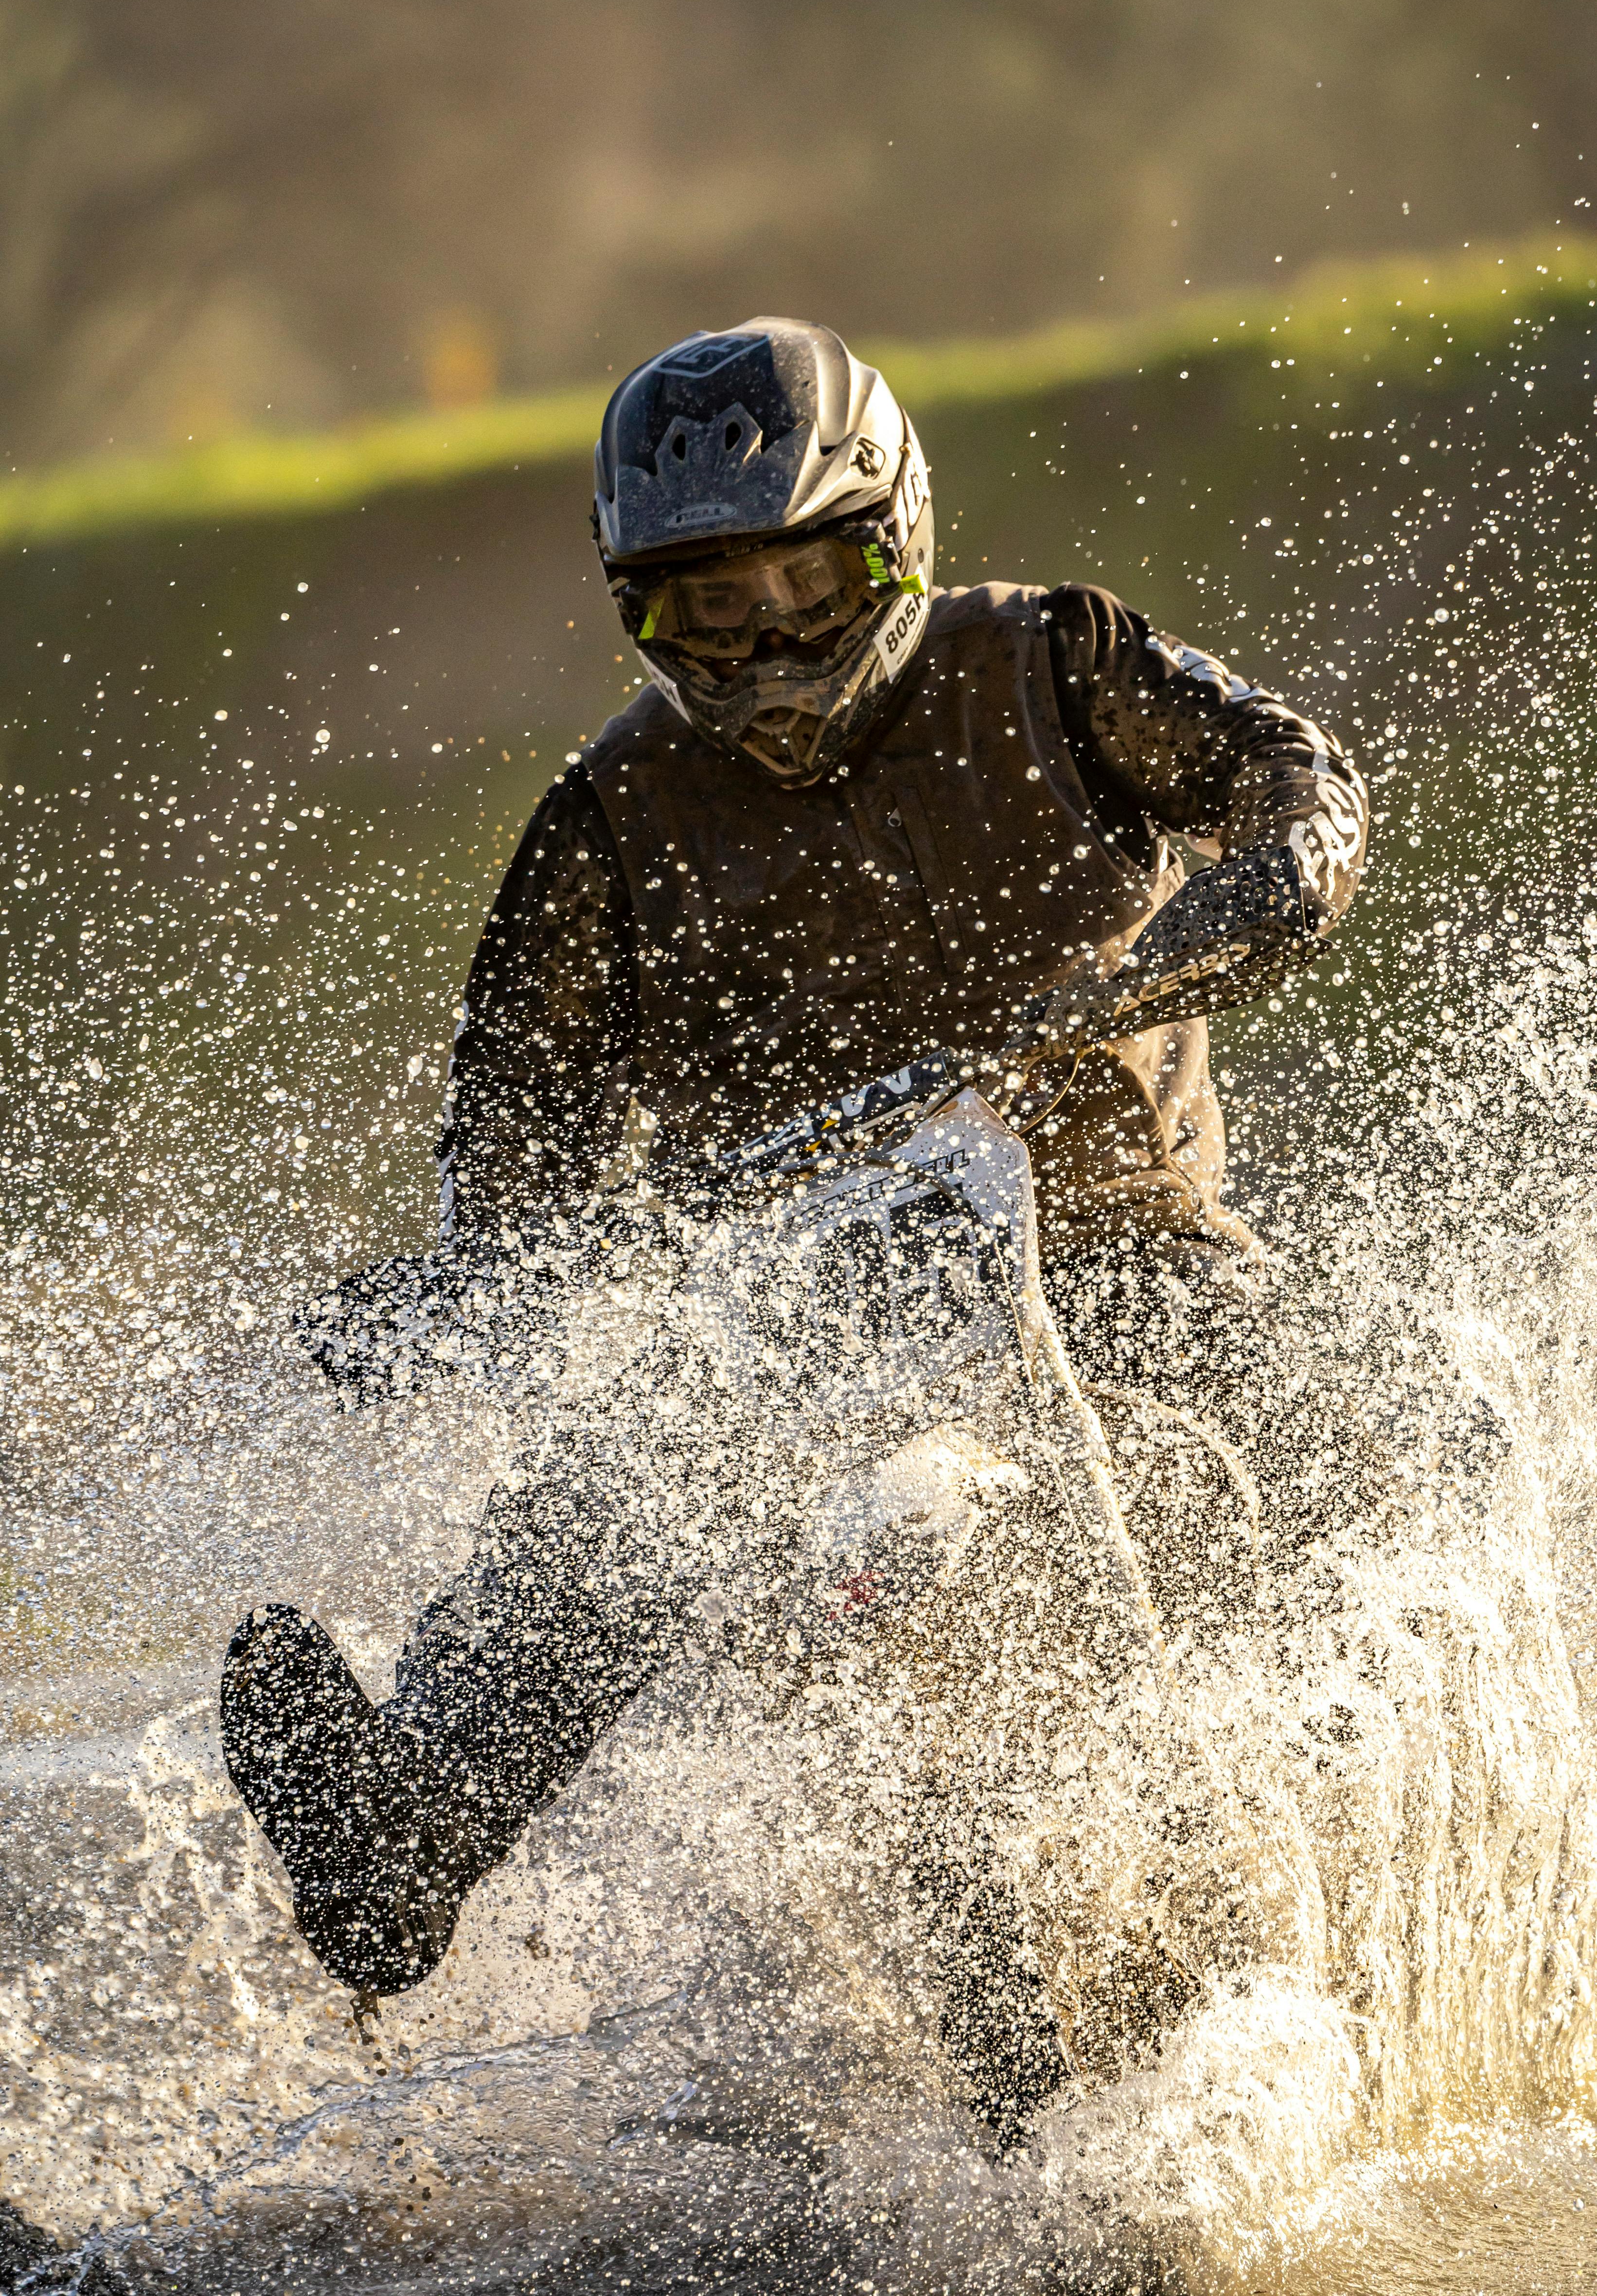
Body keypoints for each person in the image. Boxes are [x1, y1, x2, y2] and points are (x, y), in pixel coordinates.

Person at [222, 318, 1368, 2118]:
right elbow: (512, 1152)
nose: (761, 645)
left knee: (1319, 1438)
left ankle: (1401, 1789)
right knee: (632, 1467)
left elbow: (1295, 778)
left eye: (804, 583)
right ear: (635, 616)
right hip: (814, 1282)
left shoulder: (1057, 662)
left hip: (1125, 1238)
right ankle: (409, 1825)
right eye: (704, 610)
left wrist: (1255, 887)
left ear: (896, 535)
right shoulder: (605, 817)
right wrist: (476, 1282)